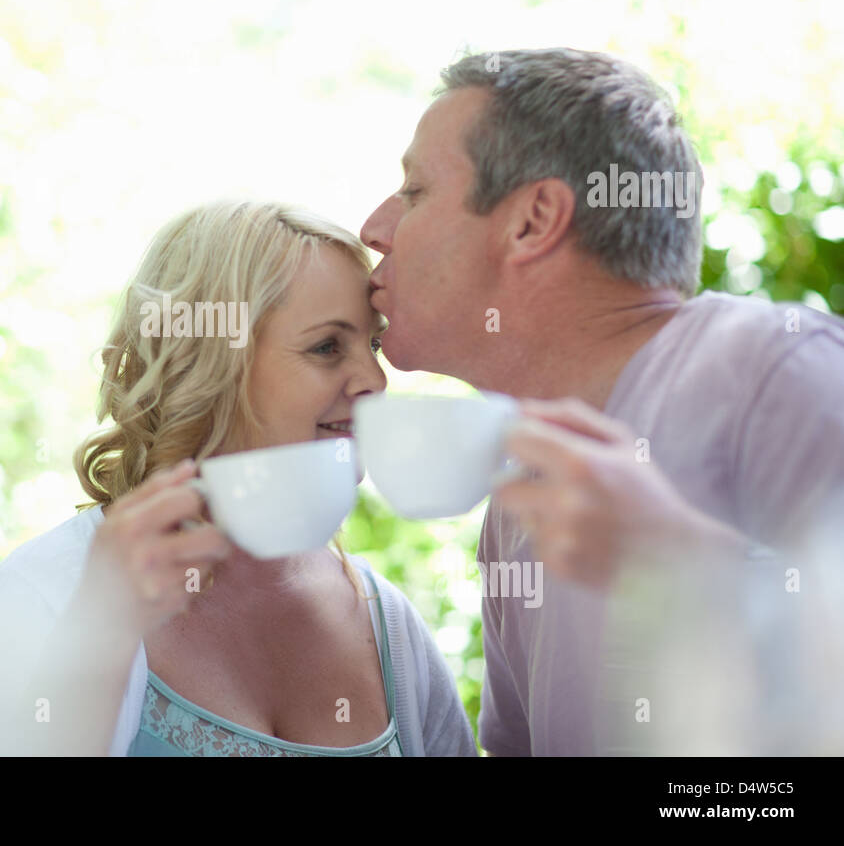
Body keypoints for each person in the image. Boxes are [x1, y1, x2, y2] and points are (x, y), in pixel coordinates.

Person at [360, 47, 844, 756]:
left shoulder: (773, 372)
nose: (375, 228)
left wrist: (682, 562)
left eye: (414, 192)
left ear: (533, 220)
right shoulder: (522, 490)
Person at [0, 200, 477, 756]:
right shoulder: (41, 599)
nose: (374, 379)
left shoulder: (386, 623)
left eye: (372, 343)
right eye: (327, 346)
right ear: (210, 363)